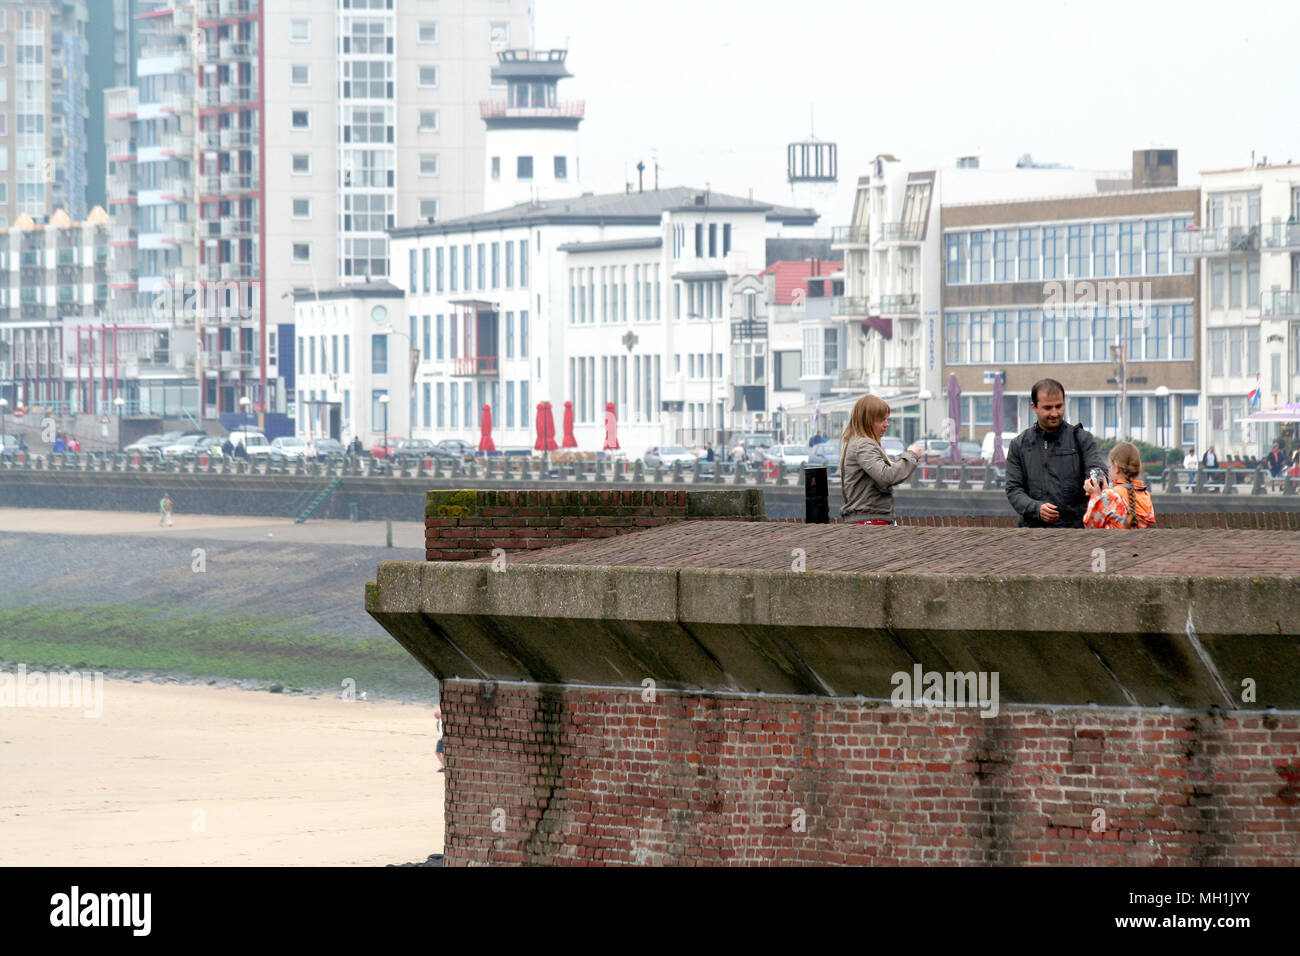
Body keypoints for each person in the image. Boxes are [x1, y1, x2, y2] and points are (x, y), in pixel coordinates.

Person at [1005, 378, 1107, 528]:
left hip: (1074, 532)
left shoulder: (1082, 439)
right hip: (1032, 533)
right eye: (1048, 408)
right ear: (1034, 407)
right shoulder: (1018, 445)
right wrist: (1036, 508)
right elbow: (1013, 490)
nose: (1054, 413)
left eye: (1059, 406)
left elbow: (1096, 465)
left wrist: (1095, 479)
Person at [839, 394, 924, 526]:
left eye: (886, 419)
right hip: (869, 522)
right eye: (881, 420)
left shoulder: (858, 443)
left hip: (868, 520)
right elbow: (887, 476)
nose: (886, 424)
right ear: (867, 421)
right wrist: (911, 455)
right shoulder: (863, 445)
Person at [1084, 442, 1155, 529]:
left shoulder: (1110, 496)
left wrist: (1096, 497)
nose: (1109, 469)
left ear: (1117, 468)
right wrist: (1107, 492)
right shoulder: (1145, 495)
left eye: (1110, 466)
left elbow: (1090, 525)